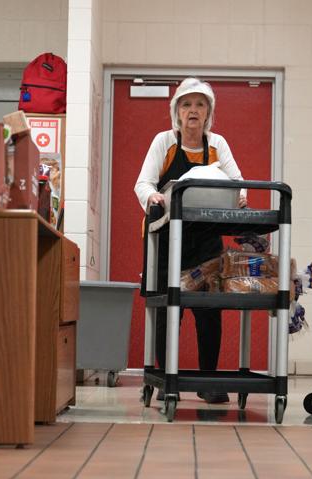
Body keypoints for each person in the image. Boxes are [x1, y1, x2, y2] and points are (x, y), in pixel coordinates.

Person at [134, 77, 247, 404]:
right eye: (186, 104)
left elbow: (238, 182)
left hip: (206, 241)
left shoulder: (218, 145)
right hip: (168, 239)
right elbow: (143, 182)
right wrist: (153, 196)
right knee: (167, 310)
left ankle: (208, 381)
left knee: (208, 311)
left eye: (200, 105)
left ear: (208, 112)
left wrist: (240, 197)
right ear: (177, 112)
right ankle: (167, 379)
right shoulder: (164, 142)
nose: (193, 111)